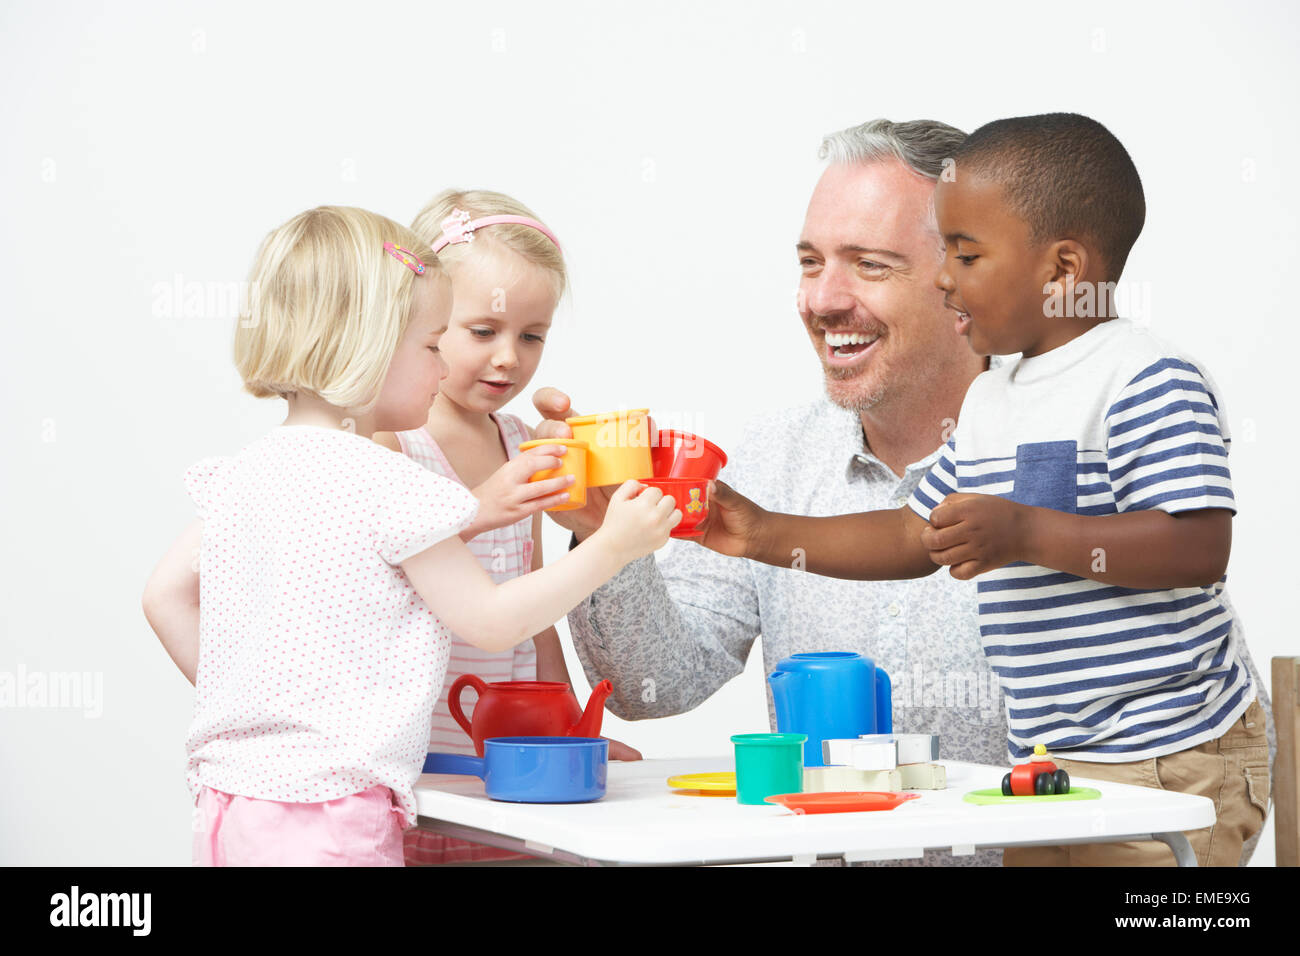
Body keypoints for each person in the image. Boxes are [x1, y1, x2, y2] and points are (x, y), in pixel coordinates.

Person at [534, 117, 1275, 866]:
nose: (822, 298)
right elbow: (905, 540)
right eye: (810, 261)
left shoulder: (1132, 385)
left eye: (873, 264)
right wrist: (668, 536)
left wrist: (1027, 536)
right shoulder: (819, 447)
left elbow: (1196, 547)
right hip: (1038, 797)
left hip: (1132, 775)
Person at [141, 205, 679, 866]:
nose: (439, 365)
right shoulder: (390, 481)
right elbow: (490, 620)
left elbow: (164, 595)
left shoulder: (243, 474)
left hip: (230, 805)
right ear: (370, 346)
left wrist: (279, 720)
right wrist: (614, 546)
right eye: (431, 345)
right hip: (336, 816)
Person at [374, 189, 640, 866]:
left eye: (531, 336)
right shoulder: (391, 445)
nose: (508, 359)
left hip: (510, 763)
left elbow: (536, 601)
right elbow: (371, 584)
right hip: (417, 765)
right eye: (483, 332)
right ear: (425, 319)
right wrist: (479, 503)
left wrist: (571, 727)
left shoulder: (523, 442)